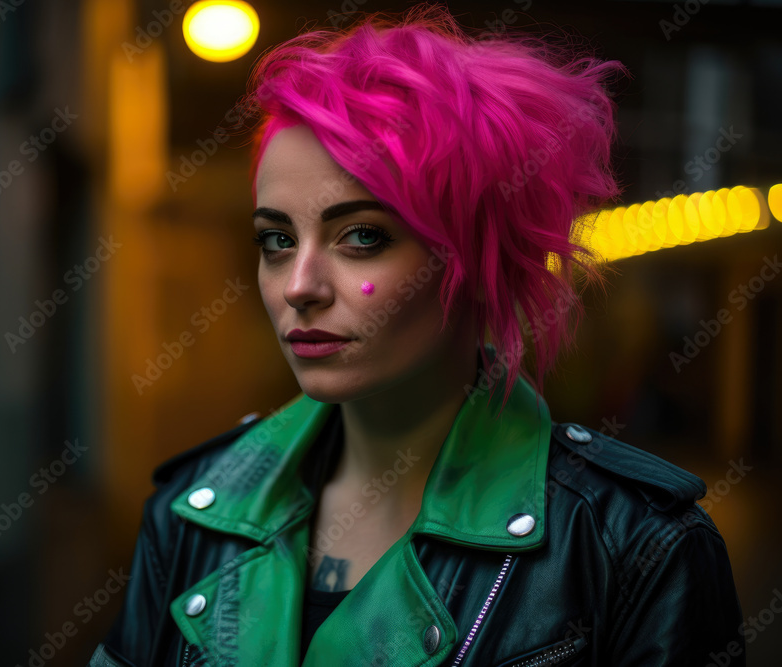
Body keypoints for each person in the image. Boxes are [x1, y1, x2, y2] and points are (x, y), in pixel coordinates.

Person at [89, 4, 744, 665]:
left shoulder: (632, 545)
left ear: (474, 255)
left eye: (363, 236)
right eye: (277, 240)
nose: (299, 285)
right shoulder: (194, 512)